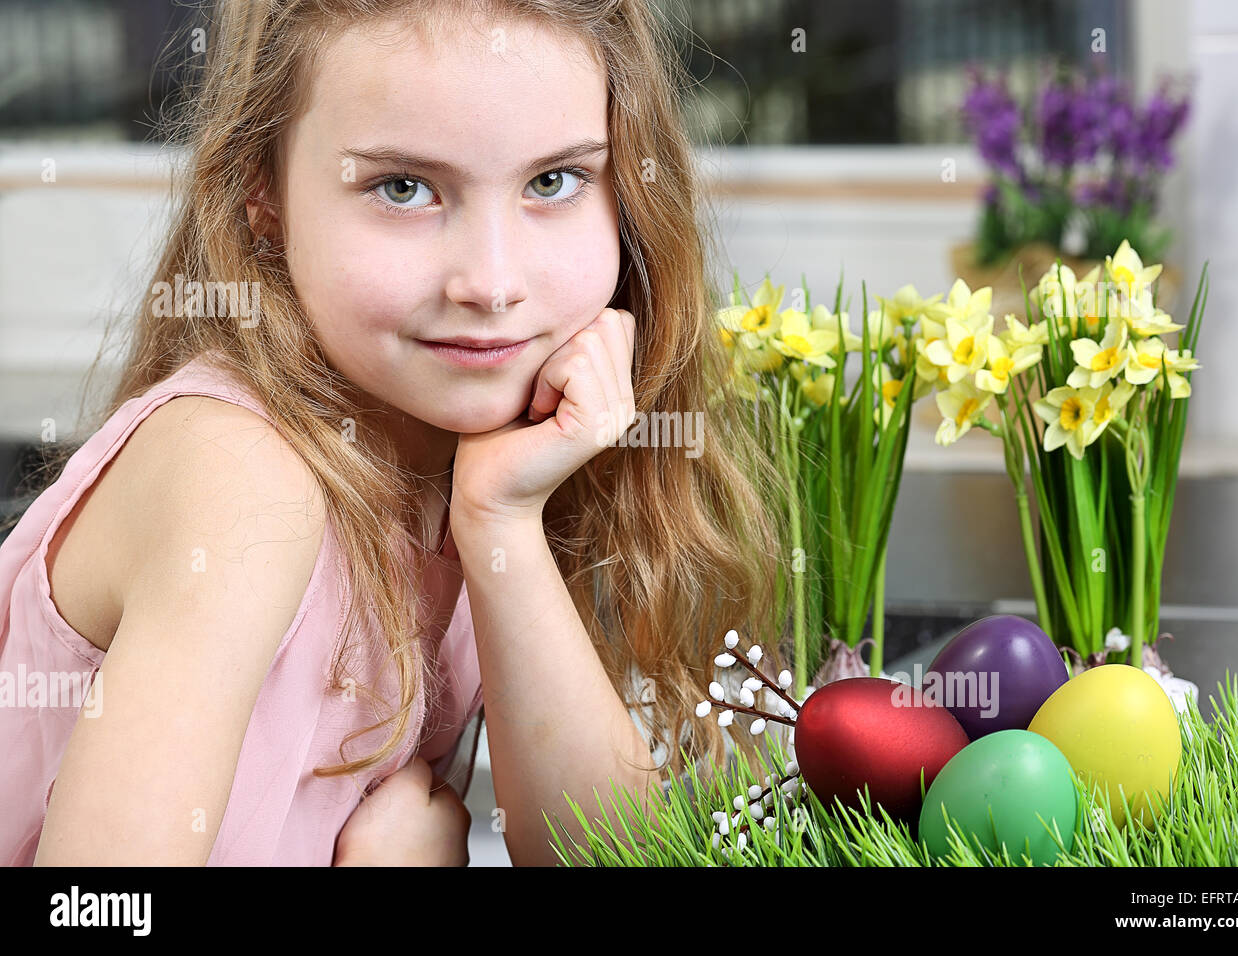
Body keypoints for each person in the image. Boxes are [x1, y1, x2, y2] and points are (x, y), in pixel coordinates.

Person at [0, 0, 790, 867]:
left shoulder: (457, 460)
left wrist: (501, 525)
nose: (491, 283)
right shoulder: (239, 478)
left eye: (553, 181)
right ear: (261, 195)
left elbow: (619, 859)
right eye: (403, 188)